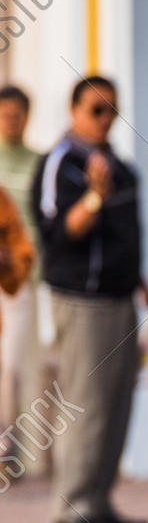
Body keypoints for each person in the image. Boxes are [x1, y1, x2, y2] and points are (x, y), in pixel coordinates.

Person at [34, 75, 148, 523]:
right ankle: (72, 505)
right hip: (81, 300)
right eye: (96, 110)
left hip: (121, 296)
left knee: (117, 401)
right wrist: (94, 195)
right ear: (74, 112)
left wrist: (144, 287)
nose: (106, 119)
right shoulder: (62, 164)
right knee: (85, 402)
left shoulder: (121, 168)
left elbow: (126, 239)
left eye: (112, 110)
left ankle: (99, 500)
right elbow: (62, 231)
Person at [0, 85, 42, 465]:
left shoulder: (38, 163)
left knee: (17, 365)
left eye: (18, 113)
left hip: (22, 277)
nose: (11, 121)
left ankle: (18, 451)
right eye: (5, 113)